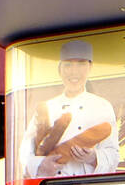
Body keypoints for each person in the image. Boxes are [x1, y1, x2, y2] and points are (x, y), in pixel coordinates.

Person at [21, 39, 119, 177]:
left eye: (81, 64)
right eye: (68, 65)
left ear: (90, 67)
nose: (74, 72)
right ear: (60, 69)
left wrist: (93, 157)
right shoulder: (47, 108)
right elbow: (25, 152)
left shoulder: (102, 106)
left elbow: (113, 155)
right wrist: (41, 165)